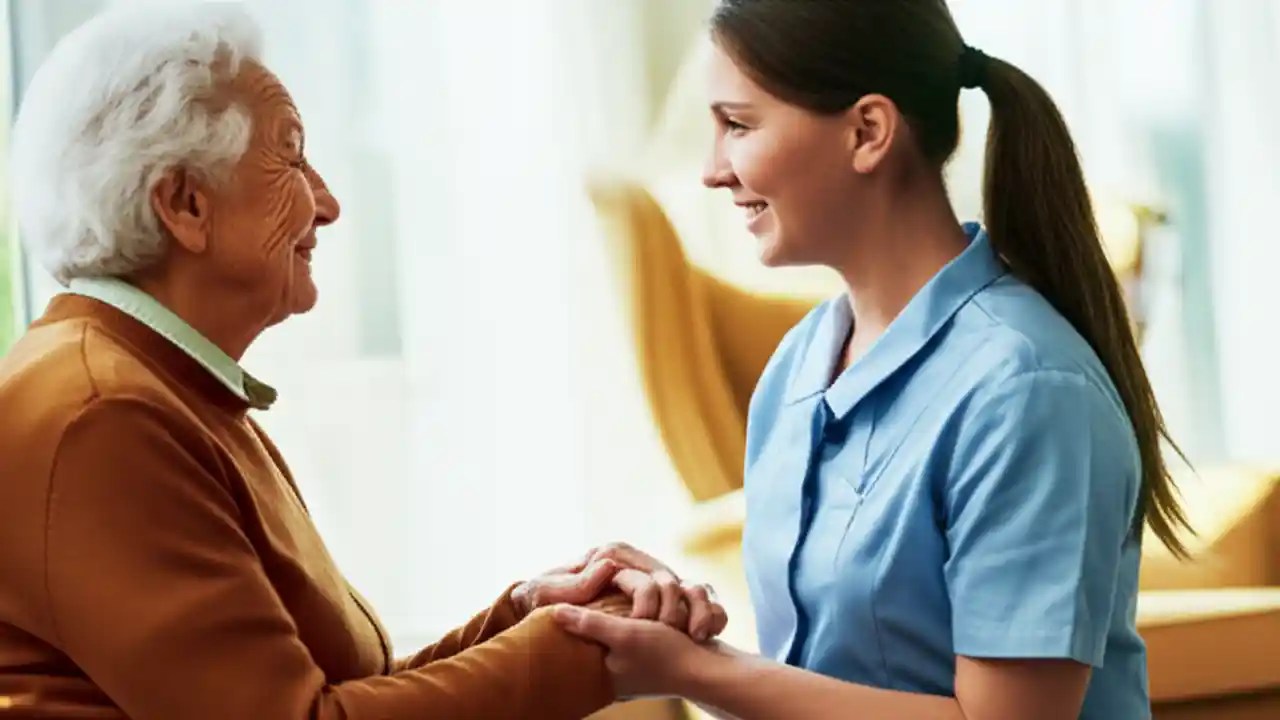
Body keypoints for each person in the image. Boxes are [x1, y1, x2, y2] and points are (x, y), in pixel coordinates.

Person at [0, 4, 725, 719]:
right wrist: (595, 648)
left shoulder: (158, 384)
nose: (328, 203)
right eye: (291, 154)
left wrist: (530, 611)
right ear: (186, 204)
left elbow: (343, 689)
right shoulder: (106, 417)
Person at [554, 1, 1191, 718]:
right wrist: (680, 636)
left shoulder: (1028, 391)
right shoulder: (798, 369)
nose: (711, 170)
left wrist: (703, 673)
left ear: (867, 132)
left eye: (738, 125)